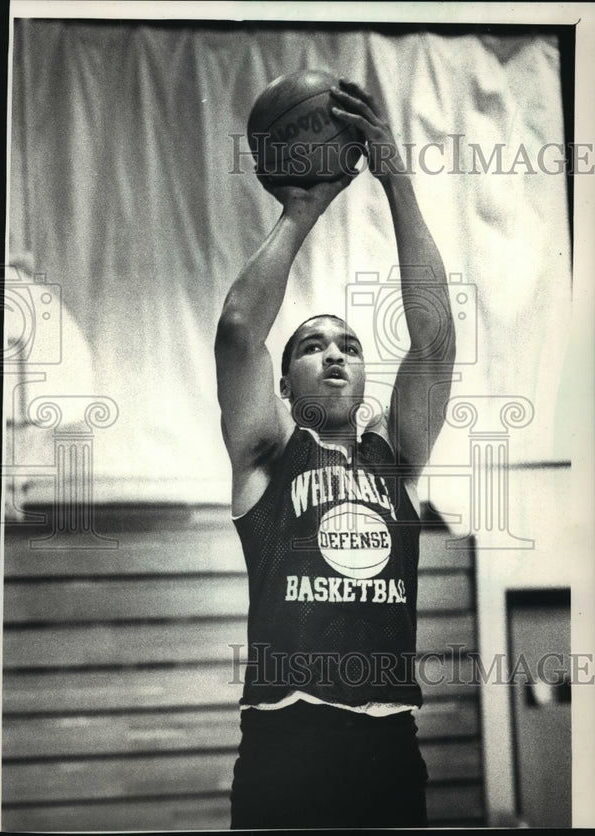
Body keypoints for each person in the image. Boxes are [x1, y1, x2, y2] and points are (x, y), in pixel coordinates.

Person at [215, 78, 456, 829]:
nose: (333, 355)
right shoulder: (265, 460)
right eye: (311, 347)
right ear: (284, 386)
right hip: (286, 743)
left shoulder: (398, 459)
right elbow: (236, 333)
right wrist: (302, 209)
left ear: (364, 374)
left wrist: (393, 173)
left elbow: (436, 337)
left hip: (390, 746)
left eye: (347, 345)